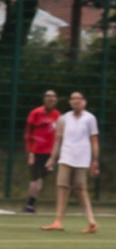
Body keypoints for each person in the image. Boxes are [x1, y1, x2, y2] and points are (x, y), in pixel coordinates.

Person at [44, 91, 100, 233]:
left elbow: (94, 140)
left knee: (81, 190)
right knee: (62, 188)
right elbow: (58, 139)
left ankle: (91, 221)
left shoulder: (90, 118)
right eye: (73, 99)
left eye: (79, 99)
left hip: (82, 159)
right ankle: (58, 221)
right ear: (70, 102)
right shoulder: (63, 118)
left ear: (84, 102)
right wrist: (52, 158)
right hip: (66, 157)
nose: (76, 101)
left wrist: (95, 160)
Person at [24, 89, 61, 213]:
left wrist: (57, 154)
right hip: (37, 151)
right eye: (48, 96)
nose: (51, 99)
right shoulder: (36, 113)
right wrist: (30, 153)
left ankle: (31, 202)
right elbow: (28, 134)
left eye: (53, 97)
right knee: (35, 178)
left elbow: (60, 135)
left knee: (41, 178)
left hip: (51, 153)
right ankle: (30, 204)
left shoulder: (58, 115)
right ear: (44, 99)